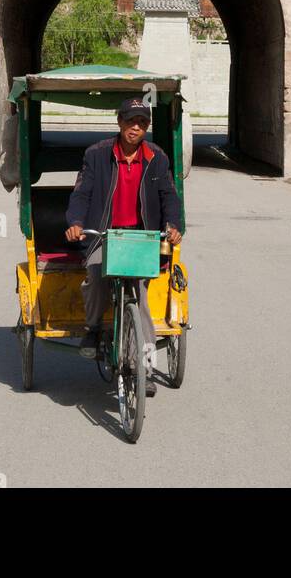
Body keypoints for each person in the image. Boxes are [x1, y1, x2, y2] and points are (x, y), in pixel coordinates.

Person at [65, 96, 183, 395]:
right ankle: (93, 330)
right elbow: (82, 193)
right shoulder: (97, 154)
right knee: (96, 274)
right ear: (120, 122)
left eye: (142, 123)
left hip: (140, 237)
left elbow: (169, 196)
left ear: (147, 128)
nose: (135, 127)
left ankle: (144, 368)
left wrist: (173, 226)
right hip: (104, 234)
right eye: (130, 121)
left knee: (140, 300)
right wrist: (76, 222)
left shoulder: (157, 157)